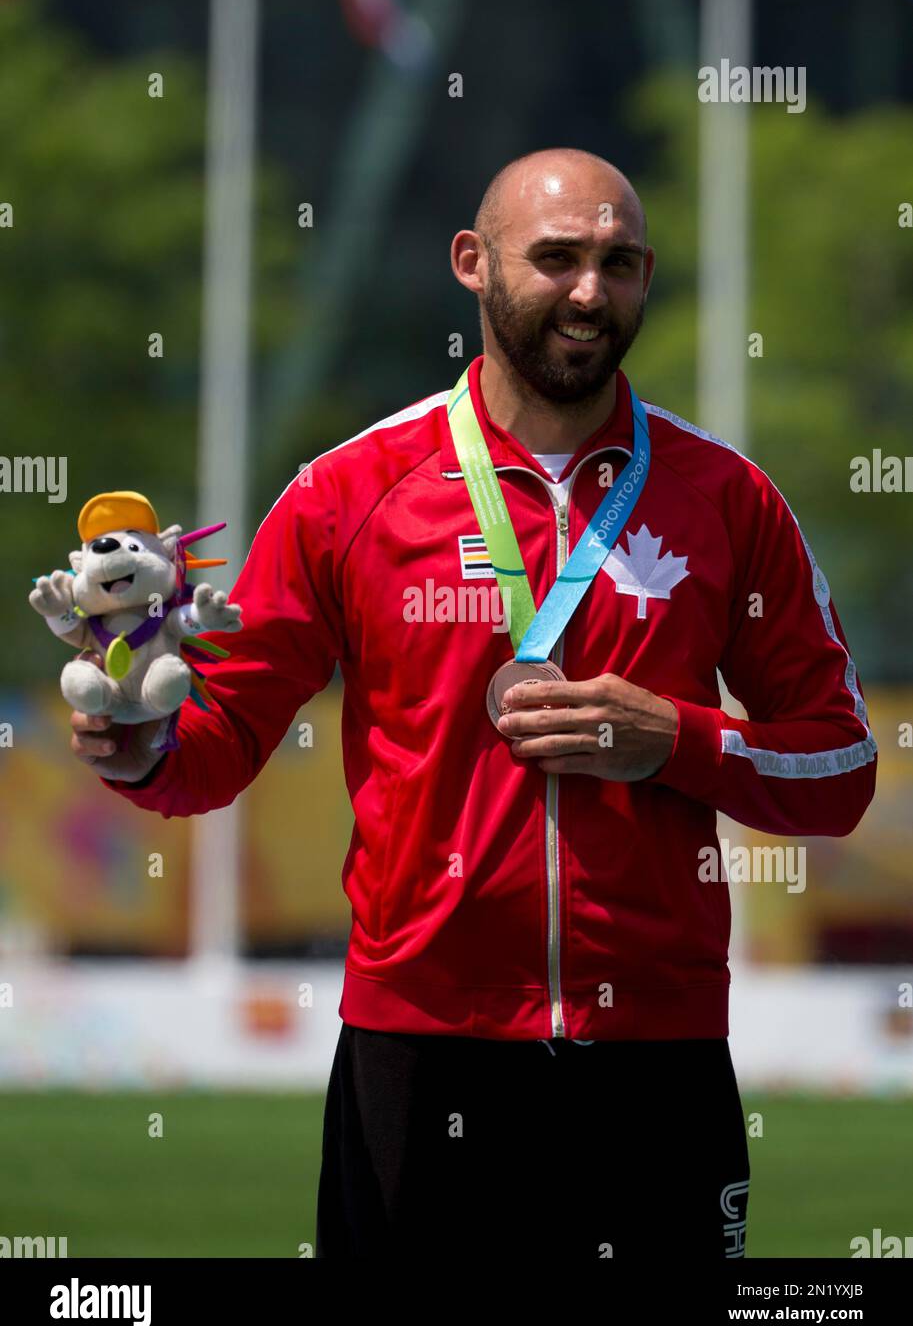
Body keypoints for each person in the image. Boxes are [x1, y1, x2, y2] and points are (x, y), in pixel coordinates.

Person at [69, 148, 876, 1260]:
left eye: (620, 262)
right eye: (556, 258)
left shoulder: (728, 500)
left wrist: (677, 740)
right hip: (419, 1051)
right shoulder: (347, 492)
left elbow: (839, 771)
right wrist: (137, 746)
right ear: (472, 263)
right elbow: (217, 740)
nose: (590, 290)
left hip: (655, 1055)